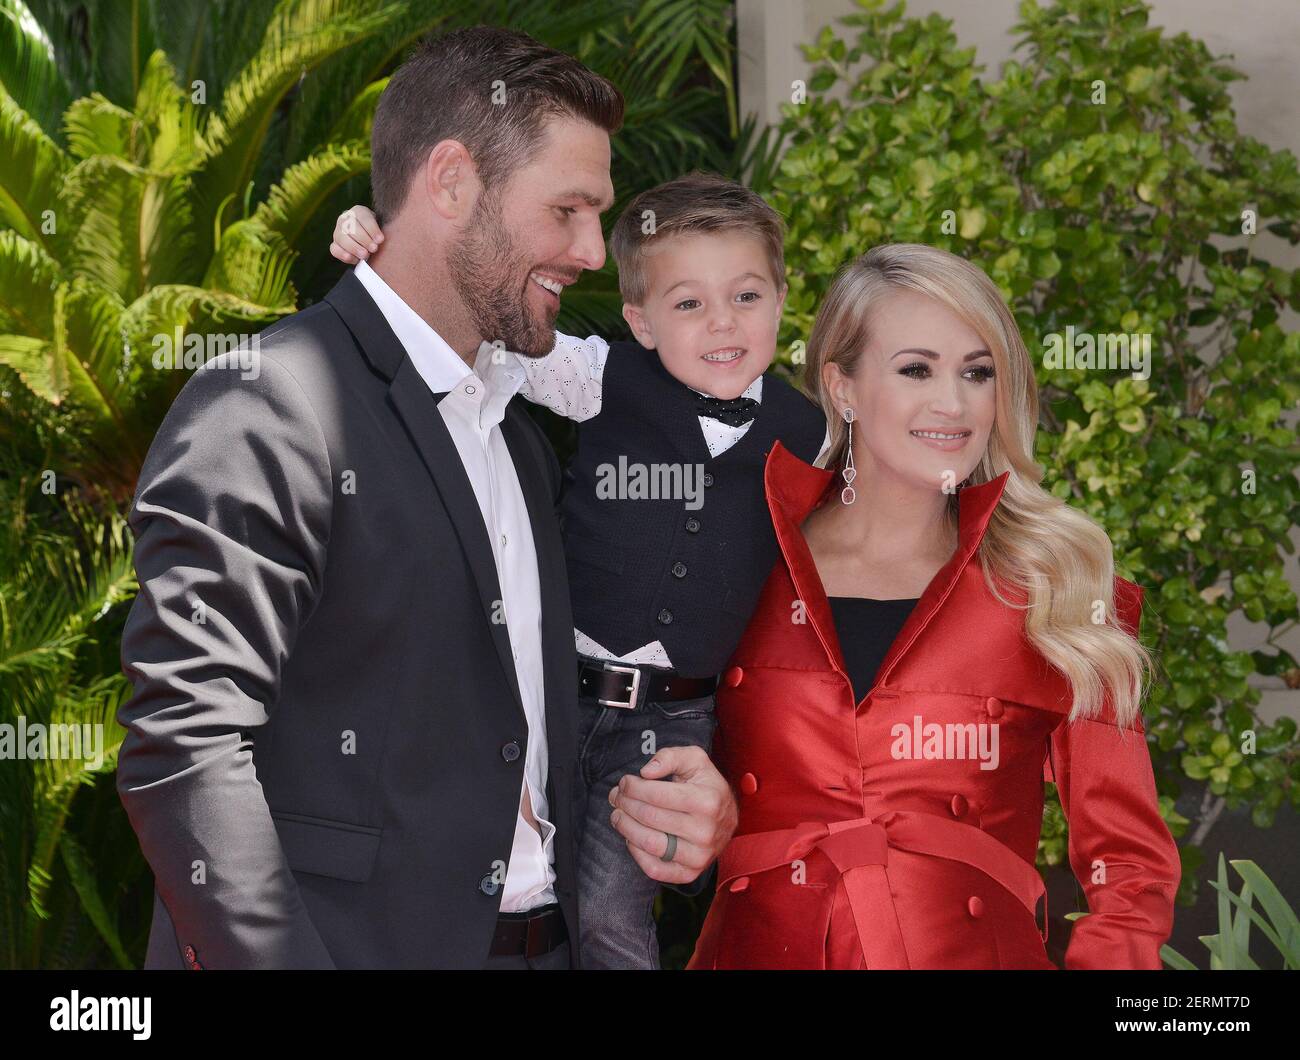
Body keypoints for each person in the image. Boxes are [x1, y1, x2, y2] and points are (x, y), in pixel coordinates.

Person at [114, 26, 736, 971]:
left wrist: (675, 801)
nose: (590, 253)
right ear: (451, 183)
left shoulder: (521, 442)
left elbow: (506, 730)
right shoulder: (270, 403)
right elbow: (186, 744)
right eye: (566, 210)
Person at [330, 172, 829, 968]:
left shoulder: (812, 433)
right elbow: (470, 334)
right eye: (688, 304)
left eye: (746, 296)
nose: (723, 323)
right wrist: (383, 250)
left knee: (606, 910)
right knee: (481, 878)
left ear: (779, 298)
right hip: (545, 694)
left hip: (668, 728)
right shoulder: (604, 378)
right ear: (641, 320)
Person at [687, 244, 1182, 969]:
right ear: (842, 387)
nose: (953, 404)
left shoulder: (1054, 589)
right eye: (916, 368)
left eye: (977, 373)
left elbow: (1131, 873)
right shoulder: (738, 562)